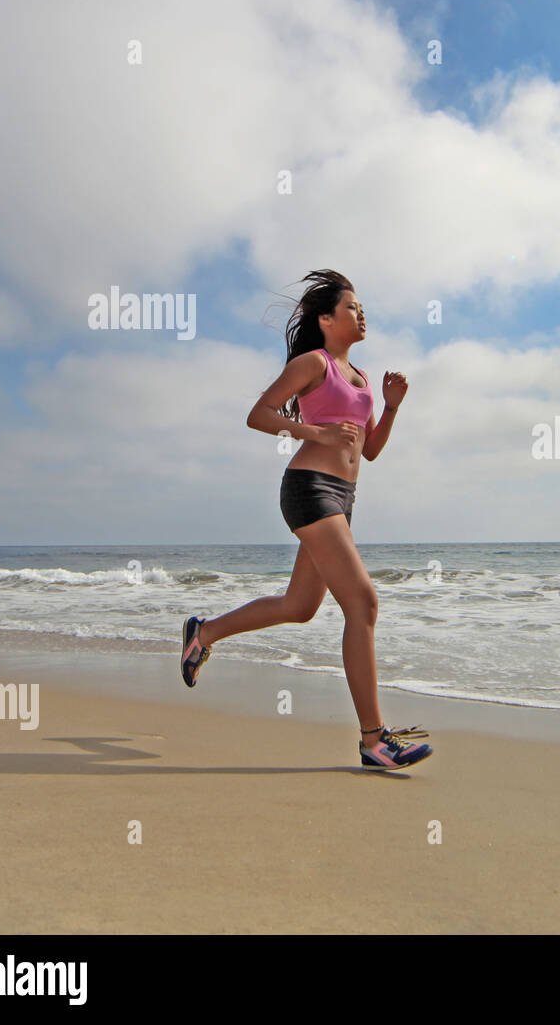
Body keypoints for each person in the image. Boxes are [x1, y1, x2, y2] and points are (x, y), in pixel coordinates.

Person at [178, 269, 432, 770]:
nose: (362, 315)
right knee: (362, 601)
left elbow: (370, 451)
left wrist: (392, 408)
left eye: (363, 309)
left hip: (343, 498)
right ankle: (373, 740)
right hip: (309, 490)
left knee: (299, 606)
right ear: (326, 319)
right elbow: (260, 414)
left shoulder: (360, 377)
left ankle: (202, 634)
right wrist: (314, 432)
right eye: (352, 308)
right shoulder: (314, 363)